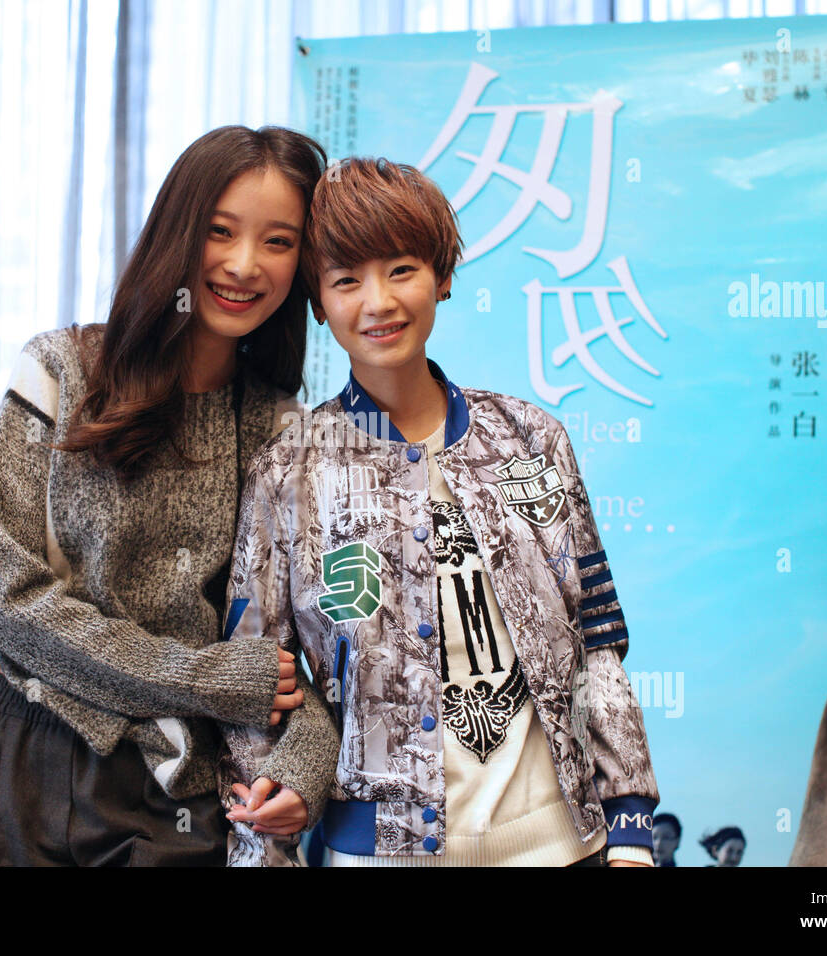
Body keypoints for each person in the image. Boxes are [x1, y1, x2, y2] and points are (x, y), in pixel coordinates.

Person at [219, 157, 659, 866]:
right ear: (318, 301)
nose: (377, 302)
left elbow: (598, 641)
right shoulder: (288, 473)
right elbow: (254, 686)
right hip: (379, 852)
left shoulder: (529, 437)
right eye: (345, 280)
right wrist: (264, 847)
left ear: (442, 276)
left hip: (562, 845)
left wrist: (632, 830)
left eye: (401, 269)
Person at [0, 125, 340, 867]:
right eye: (220, 232)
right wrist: (209, 679)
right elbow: (8, 598)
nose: (245, 265)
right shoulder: (58, 370)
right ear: (176, 233)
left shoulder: (282, 427)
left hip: (171, 773)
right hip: (23, 739)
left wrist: (308, 764)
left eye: (279, 243)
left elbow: (306, 643)